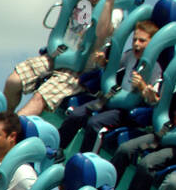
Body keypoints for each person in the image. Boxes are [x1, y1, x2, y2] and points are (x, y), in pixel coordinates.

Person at [4, 0, 126, 117]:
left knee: (39, 97)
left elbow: (102, 32)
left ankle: (11, 131)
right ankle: (4, 120)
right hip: (56, 56)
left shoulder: (115, 12)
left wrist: (109, 1)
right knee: (13, 81)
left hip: (79, 71)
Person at [57, 19, 161, 152]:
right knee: (76, 114)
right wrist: (102, 62)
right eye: (134, 39)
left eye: (142, 41)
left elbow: (154, 100)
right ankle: (58, 148)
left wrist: (142, 86)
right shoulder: (130, 56)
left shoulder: (156, 68)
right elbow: (112, 67)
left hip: (126, 111)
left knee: (94, 123)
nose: (136, 44)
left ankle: (85, 160)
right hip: (113, 99)